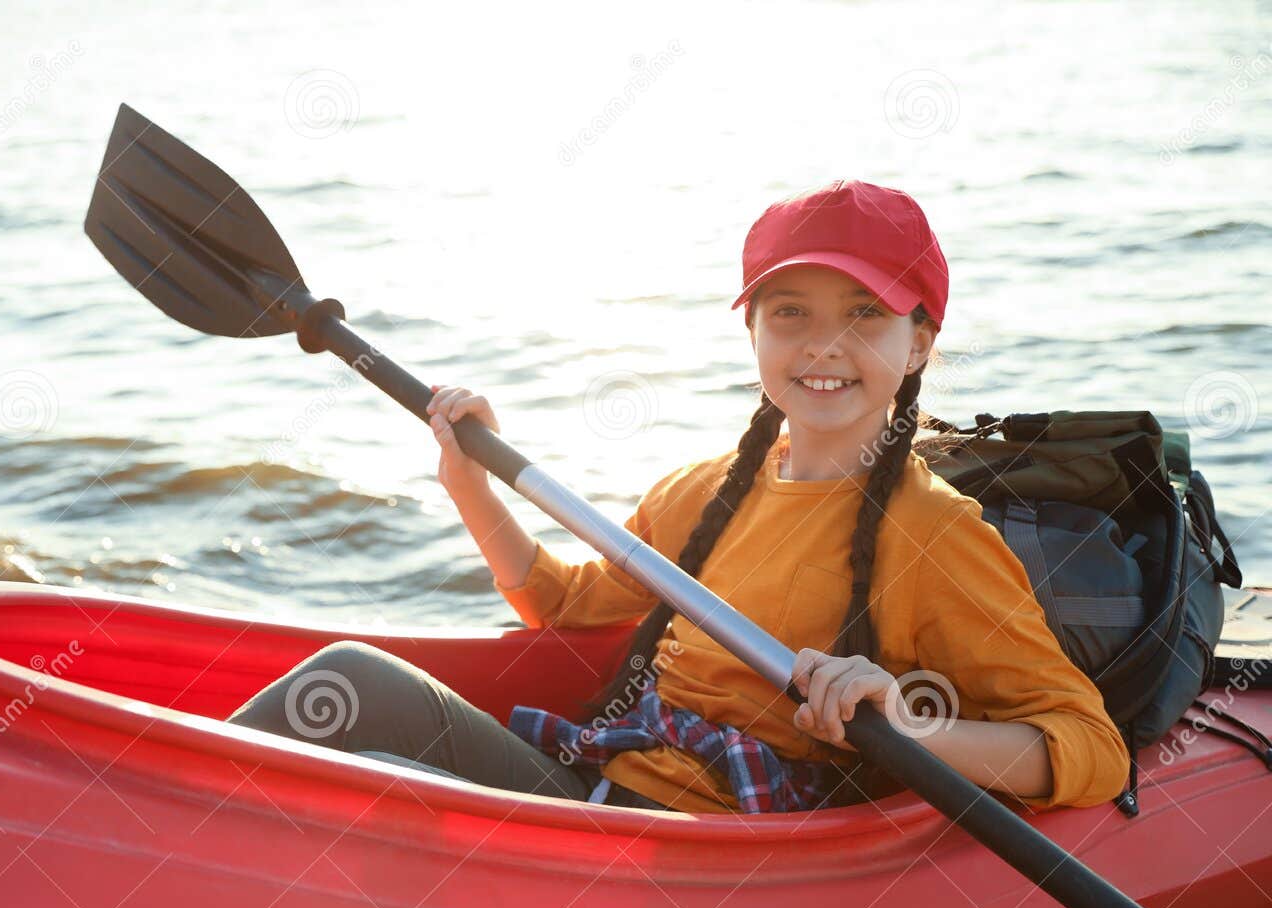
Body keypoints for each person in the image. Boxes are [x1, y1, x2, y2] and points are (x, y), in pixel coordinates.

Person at [228, 179, 1129, 815]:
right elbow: (562, 605)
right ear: (752, 329)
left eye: (864, 312)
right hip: (596, 789)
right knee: (349, 689)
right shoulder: (706, 491)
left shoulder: (934, 534)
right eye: (790, 311)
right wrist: (470, 484)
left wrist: (907, 723)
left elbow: (1090, 748)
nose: (823, 344)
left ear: (921, 341)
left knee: (374, 763)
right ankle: (166, 843)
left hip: (704, 858)